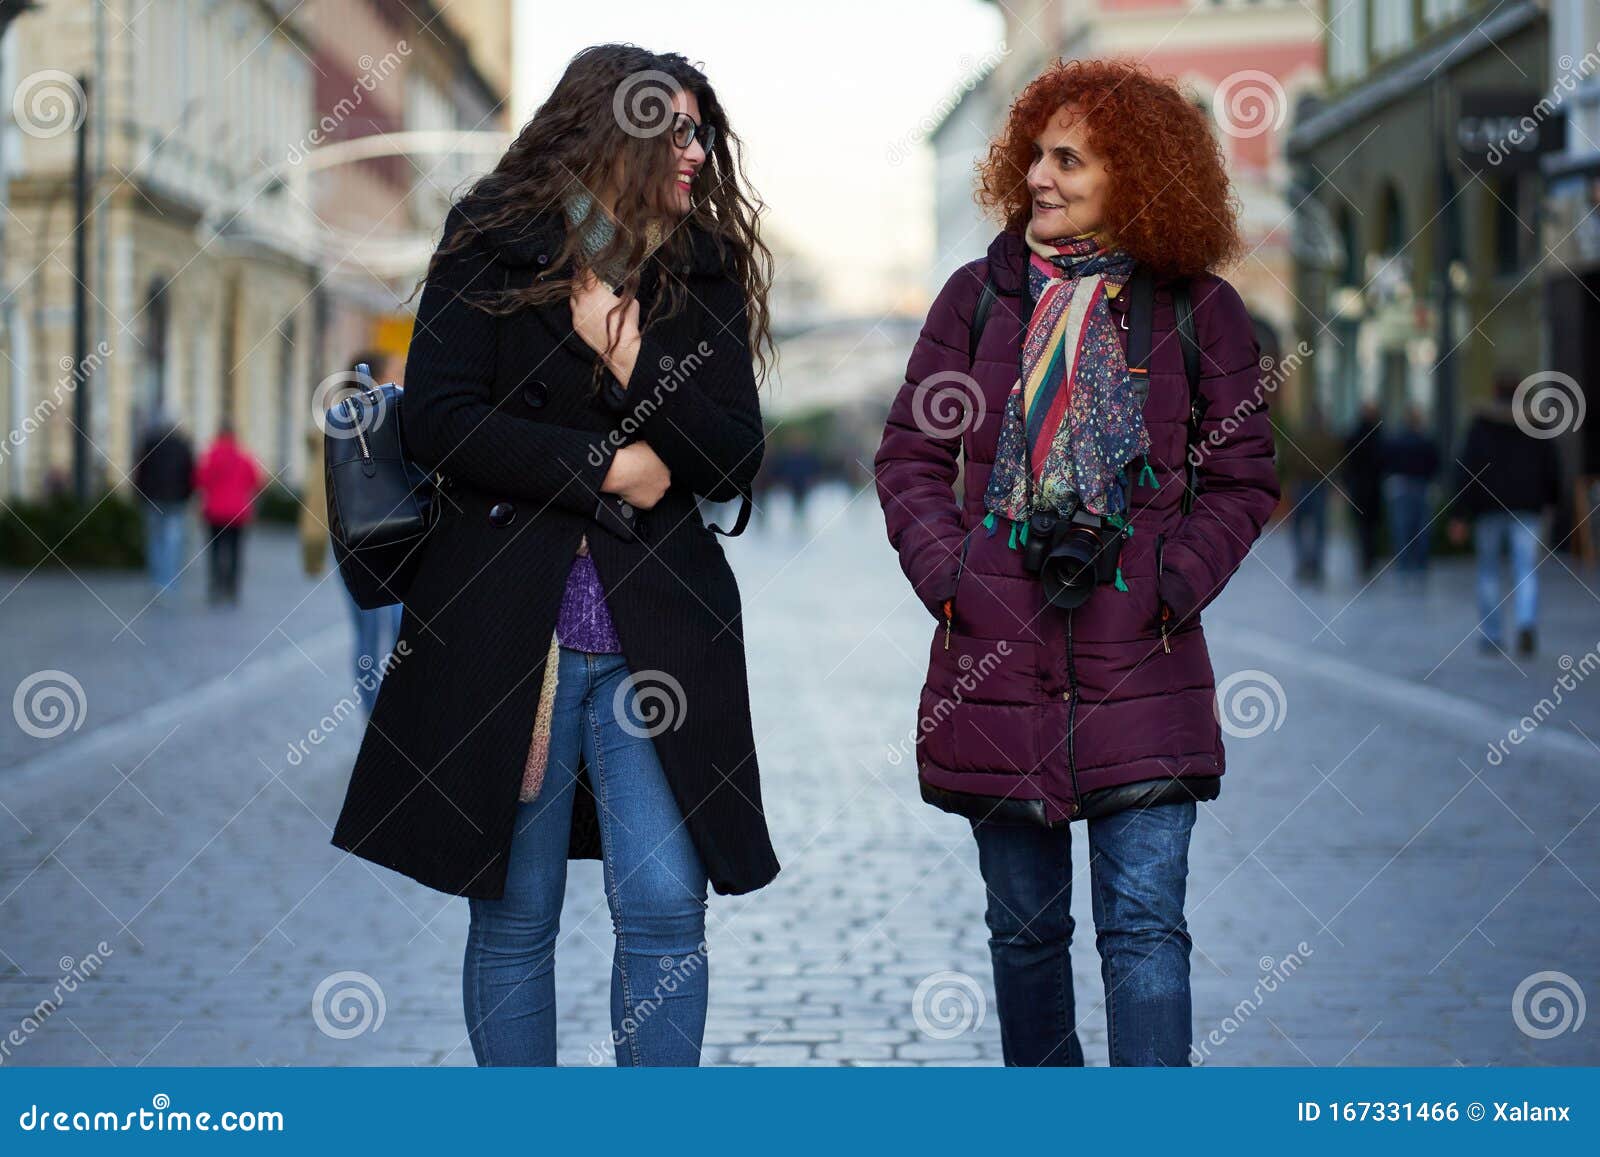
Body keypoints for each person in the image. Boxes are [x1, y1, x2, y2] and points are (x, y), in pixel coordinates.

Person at [329, 44, 780, 1067]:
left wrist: (628, 350)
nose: (695, 152)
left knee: (665, 902)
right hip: (509, 626)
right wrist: (605, 467)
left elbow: (734, 451)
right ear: (610, 129)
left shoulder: (701, 264)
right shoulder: (491, 235)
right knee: (515, 909)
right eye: (675, 131)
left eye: (702, 132)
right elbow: (440, 420)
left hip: (653, 632)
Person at [875, 57, 1279, 1067]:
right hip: (998, 668)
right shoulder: (975, 300)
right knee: (1024, 935)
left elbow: (1240, 479)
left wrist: (1173, 582)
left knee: (1144, 931)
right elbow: (911, 457)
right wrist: (954, 579)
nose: (1039, 178)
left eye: (1069, 160)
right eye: (1036, 156)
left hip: (1143, 668)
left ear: (1133, 175)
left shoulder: (1198, 311)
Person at [1446, 373, 1564, 656]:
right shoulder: (1536, 425)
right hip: (1527, 507)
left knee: (1488, 570)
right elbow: (1552, 467)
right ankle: (1525, 621)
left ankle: (1492, 634)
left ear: (1494, 391)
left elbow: (1466, 469)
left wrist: (1459, 513)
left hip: (1488, 508)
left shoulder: (1481, 426)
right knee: (1526, 568)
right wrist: (1552, 501)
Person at [336, 350, 405, 715]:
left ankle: (389, 713)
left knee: (396, 630)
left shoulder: (393, 414)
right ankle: (373, 715)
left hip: (395, 541)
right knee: (370, 634)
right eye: (395, 371)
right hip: (363, 543)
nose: (401, 378)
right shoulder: (349, 424)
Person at [191, 418, 264, 604]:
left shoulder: (210, 456)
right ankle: (232, 588)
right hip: (238, 512)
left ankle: (216, 586)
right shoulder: (243, 456)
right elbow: (256, 481)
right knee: (235, 550)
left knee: (215, 550)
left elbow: (200, 481)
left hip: (214, 512)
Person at [130, 404, 195, 606]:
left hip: (153, 499)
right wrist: (187, 495)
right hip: (176, 500)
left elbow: (140, 472)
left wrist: (139, 494)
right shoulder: (183, 445)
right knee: (173, 541)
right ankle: (169, 582)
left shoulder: (149, 443)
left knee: (154, 540)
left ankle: (157, 579)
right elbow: (190, 474)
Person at [1277, 402, 1342, 585]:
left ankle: (1303, 563)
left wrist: (1289, 480)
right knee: (1319, 528)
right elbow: (1337, 462)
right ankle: (1316, 565)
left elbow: (1287, 460)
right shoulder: (1329, 437)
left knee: (1298, 527)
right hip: (1319, 486)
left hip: (1301, 485)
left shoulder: (1299, 436)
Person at [1380, 405, 1440, 584]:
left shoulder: (1397, 441)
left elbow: (1386, 461)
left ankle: (1404, 563)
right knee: (1421, 527)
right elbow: (1434, 463)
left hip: (1402, 487)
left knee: (1402, 527)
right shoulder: (1425, 440)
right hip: (1419, 486)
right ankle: (1420, 563)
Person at [1341, 399, 1385, 579]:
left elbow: (1347, 462)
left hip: (1361, 488)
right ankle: (1369, 558)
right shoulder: (1377, 434)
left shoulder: (1358, 434)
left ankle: (1366, 558)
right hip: (1369, 488)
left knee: (1363, 526)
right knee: (1369, 526)